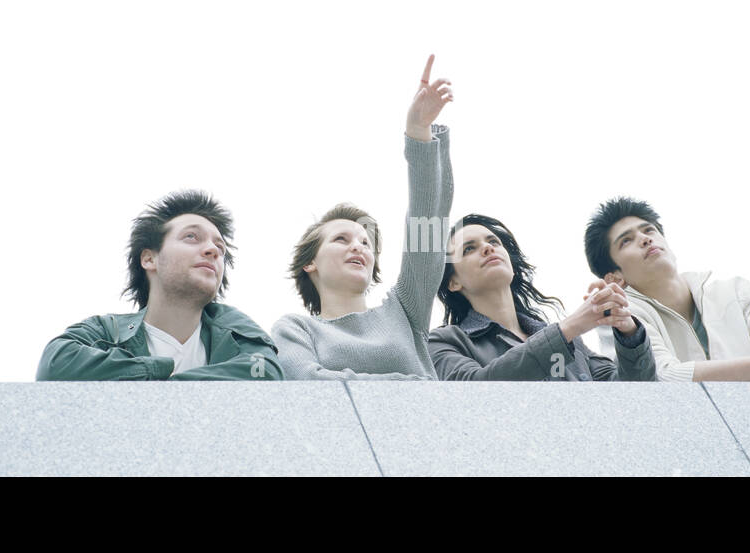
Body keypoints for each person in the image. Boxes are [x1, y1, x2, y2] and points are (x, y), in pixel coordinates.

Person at [271, 55, 453, 380]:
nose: (359, 247)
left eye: (366, 243)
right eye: (341, 239)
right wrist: (410, 385)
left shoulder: (404, 311)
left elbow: (429, 226)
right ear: (309, 264)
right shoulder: (295, 329)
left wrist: (419, 134)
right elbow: (307, 385)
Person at [37, 190, 282, 380]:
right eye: (191, 237)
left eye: (220, 248)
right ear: (149, 258)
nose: (212, 251)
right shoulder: (107, 331)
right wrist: (156, 369)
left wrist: (167, 386)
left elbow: (266, 371)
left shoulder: (234, 328)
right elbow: (55, 365)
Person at [583, 197, 750, 382]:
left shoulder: (735, 291)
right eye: (626, 240)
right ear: (614, 277)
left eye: (649, 230)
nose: (646, 239)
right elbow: (663, 378)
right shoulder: (621, 316)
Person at [429, 214, 657, 381]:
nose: (488, 248)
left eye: (493, 242)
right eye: (469, 249)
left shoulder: (572, 341)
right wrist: (571, 326)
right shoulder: (444, 342)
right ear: (453, 282)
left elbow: (630, 397)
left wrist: (627, 332)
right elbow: (473, 393)